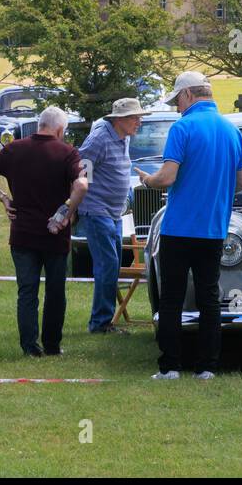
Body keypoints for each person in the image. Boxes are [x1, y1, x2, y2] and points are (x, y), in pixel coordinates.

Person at [137, 72, 242, 381]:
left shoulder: (182, 127)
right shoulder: (231, 130)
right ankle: (208, 366)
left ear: (186, 96)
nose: (176, 108)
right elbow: (240, 182)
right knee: (210, 296)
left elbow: (168, 177)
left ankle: (170, 366)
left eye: (177, 102)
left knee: (171, 298)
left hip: (179, 227)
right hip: (214, 228)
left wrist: (148, 180)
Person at [0, 107, 87, 357]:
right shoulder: (67, 153)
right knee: (55, 292)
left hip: (22, 232)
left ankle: (29, 346)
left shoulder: (14, 149)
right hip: (54, 232)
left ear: (39, 125)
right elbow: (81, 184)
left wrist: (3, 197)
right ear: (59, 129)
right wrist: (67, 210)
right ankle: (52, 345)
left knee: (27, 291)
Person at [77, 98, 146, 334]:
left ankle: (103, 320)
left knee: (112, 265)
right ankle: (100, 323)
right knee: (107, 265)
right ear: (119, 119)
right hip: (97, 211)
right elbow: (81, 171)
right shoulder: (99, 139)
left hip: (113, 213)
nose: (140, 121)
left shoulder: (122, 137)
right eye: (135, 117)